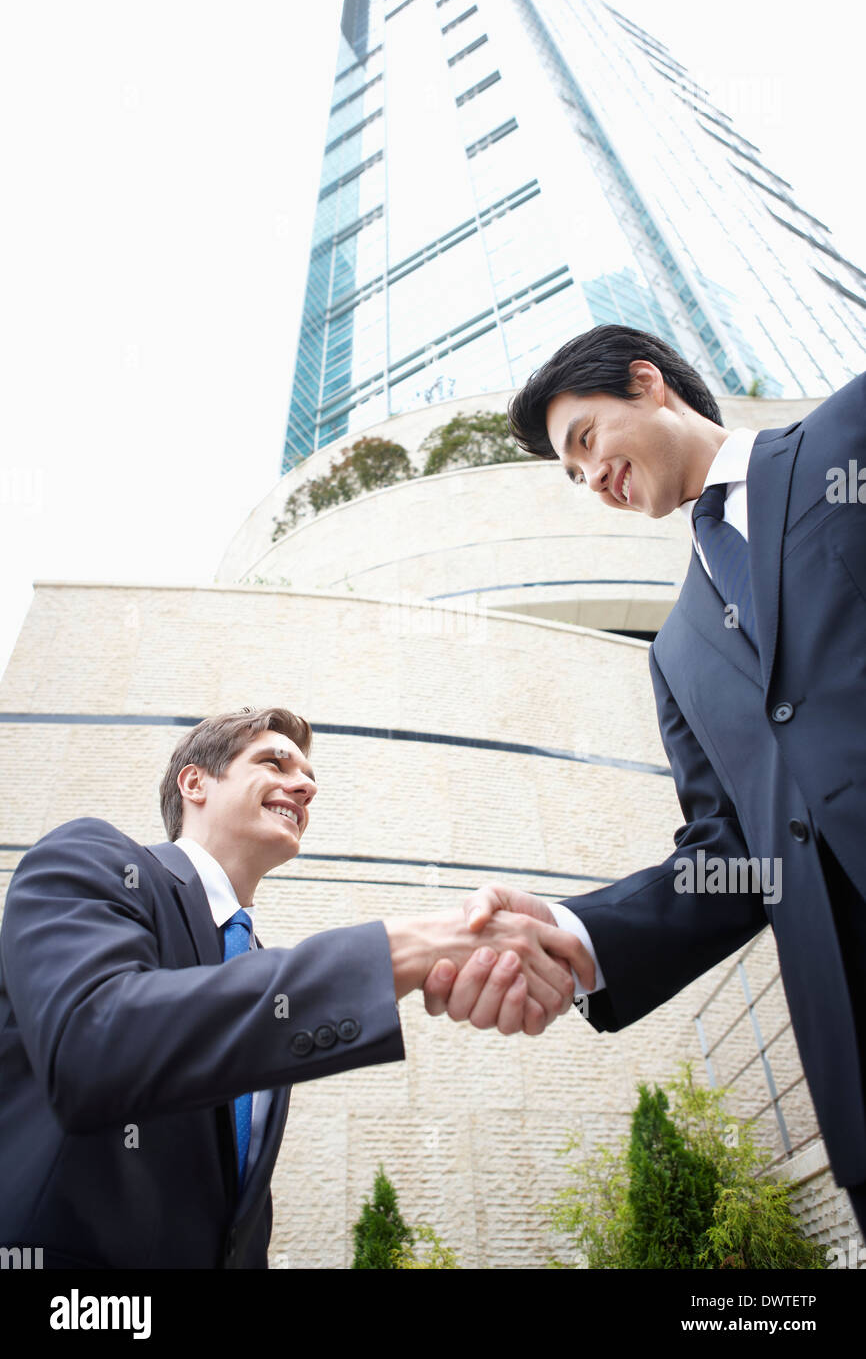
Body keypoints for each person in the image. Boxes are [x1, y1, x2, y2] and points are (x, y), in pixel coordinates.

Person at [427, 325, 866, 1237]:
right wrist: (577, 935)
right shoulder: (675, 654)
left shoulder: (845, 442)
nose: (593, 479)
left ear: (647, 382)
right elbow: (736, 861)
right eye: (575, 474)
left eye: (587, 441)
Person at [0, 705, 589, 1268]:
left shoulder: (257, 969)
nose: (306, 788)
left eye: (308, 777)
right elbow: (92, 1042)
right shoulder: (93, 858)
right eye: (275, 764)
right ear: (195, 783)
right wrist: (401, 949)